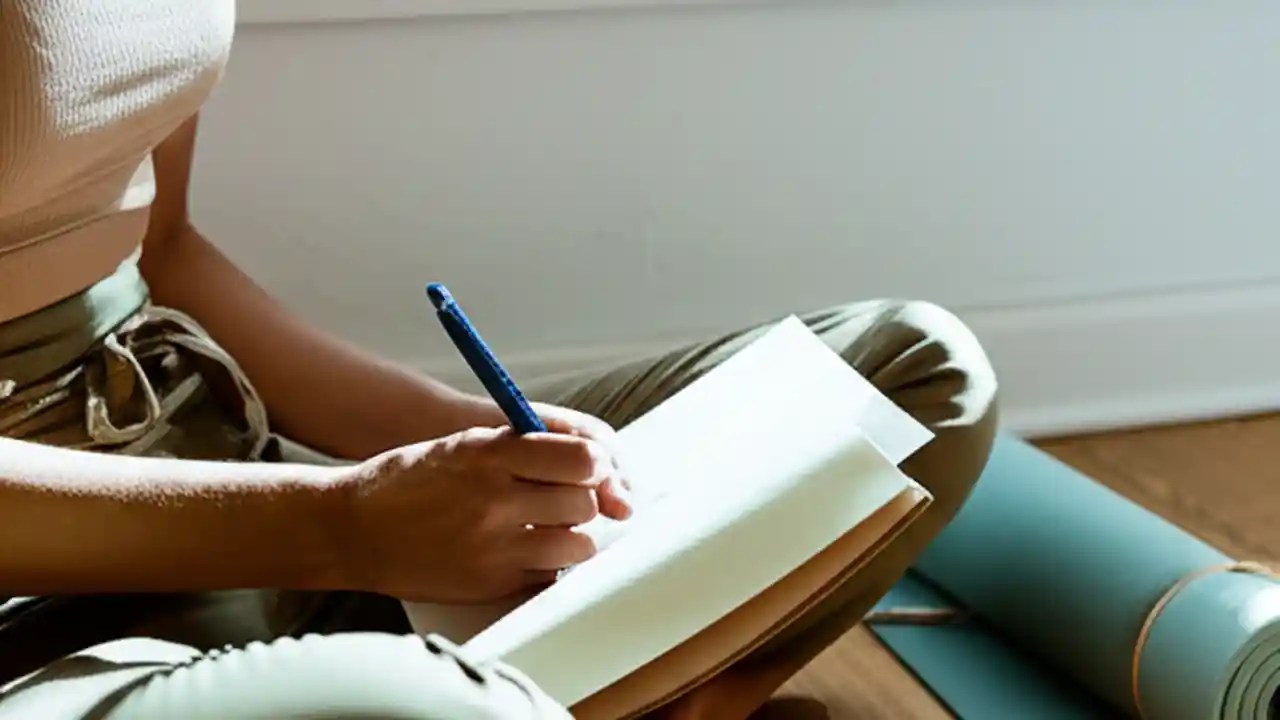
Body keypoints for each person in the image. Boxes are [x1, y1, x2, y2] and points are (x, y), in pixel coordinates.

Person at [0, 2, 998, 718]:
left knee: (908, 388)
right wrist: (342, 525)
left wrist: (454, 439)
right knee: (428, 706)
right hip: (43, 608)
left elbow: (161, 249)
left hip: (234, 482)